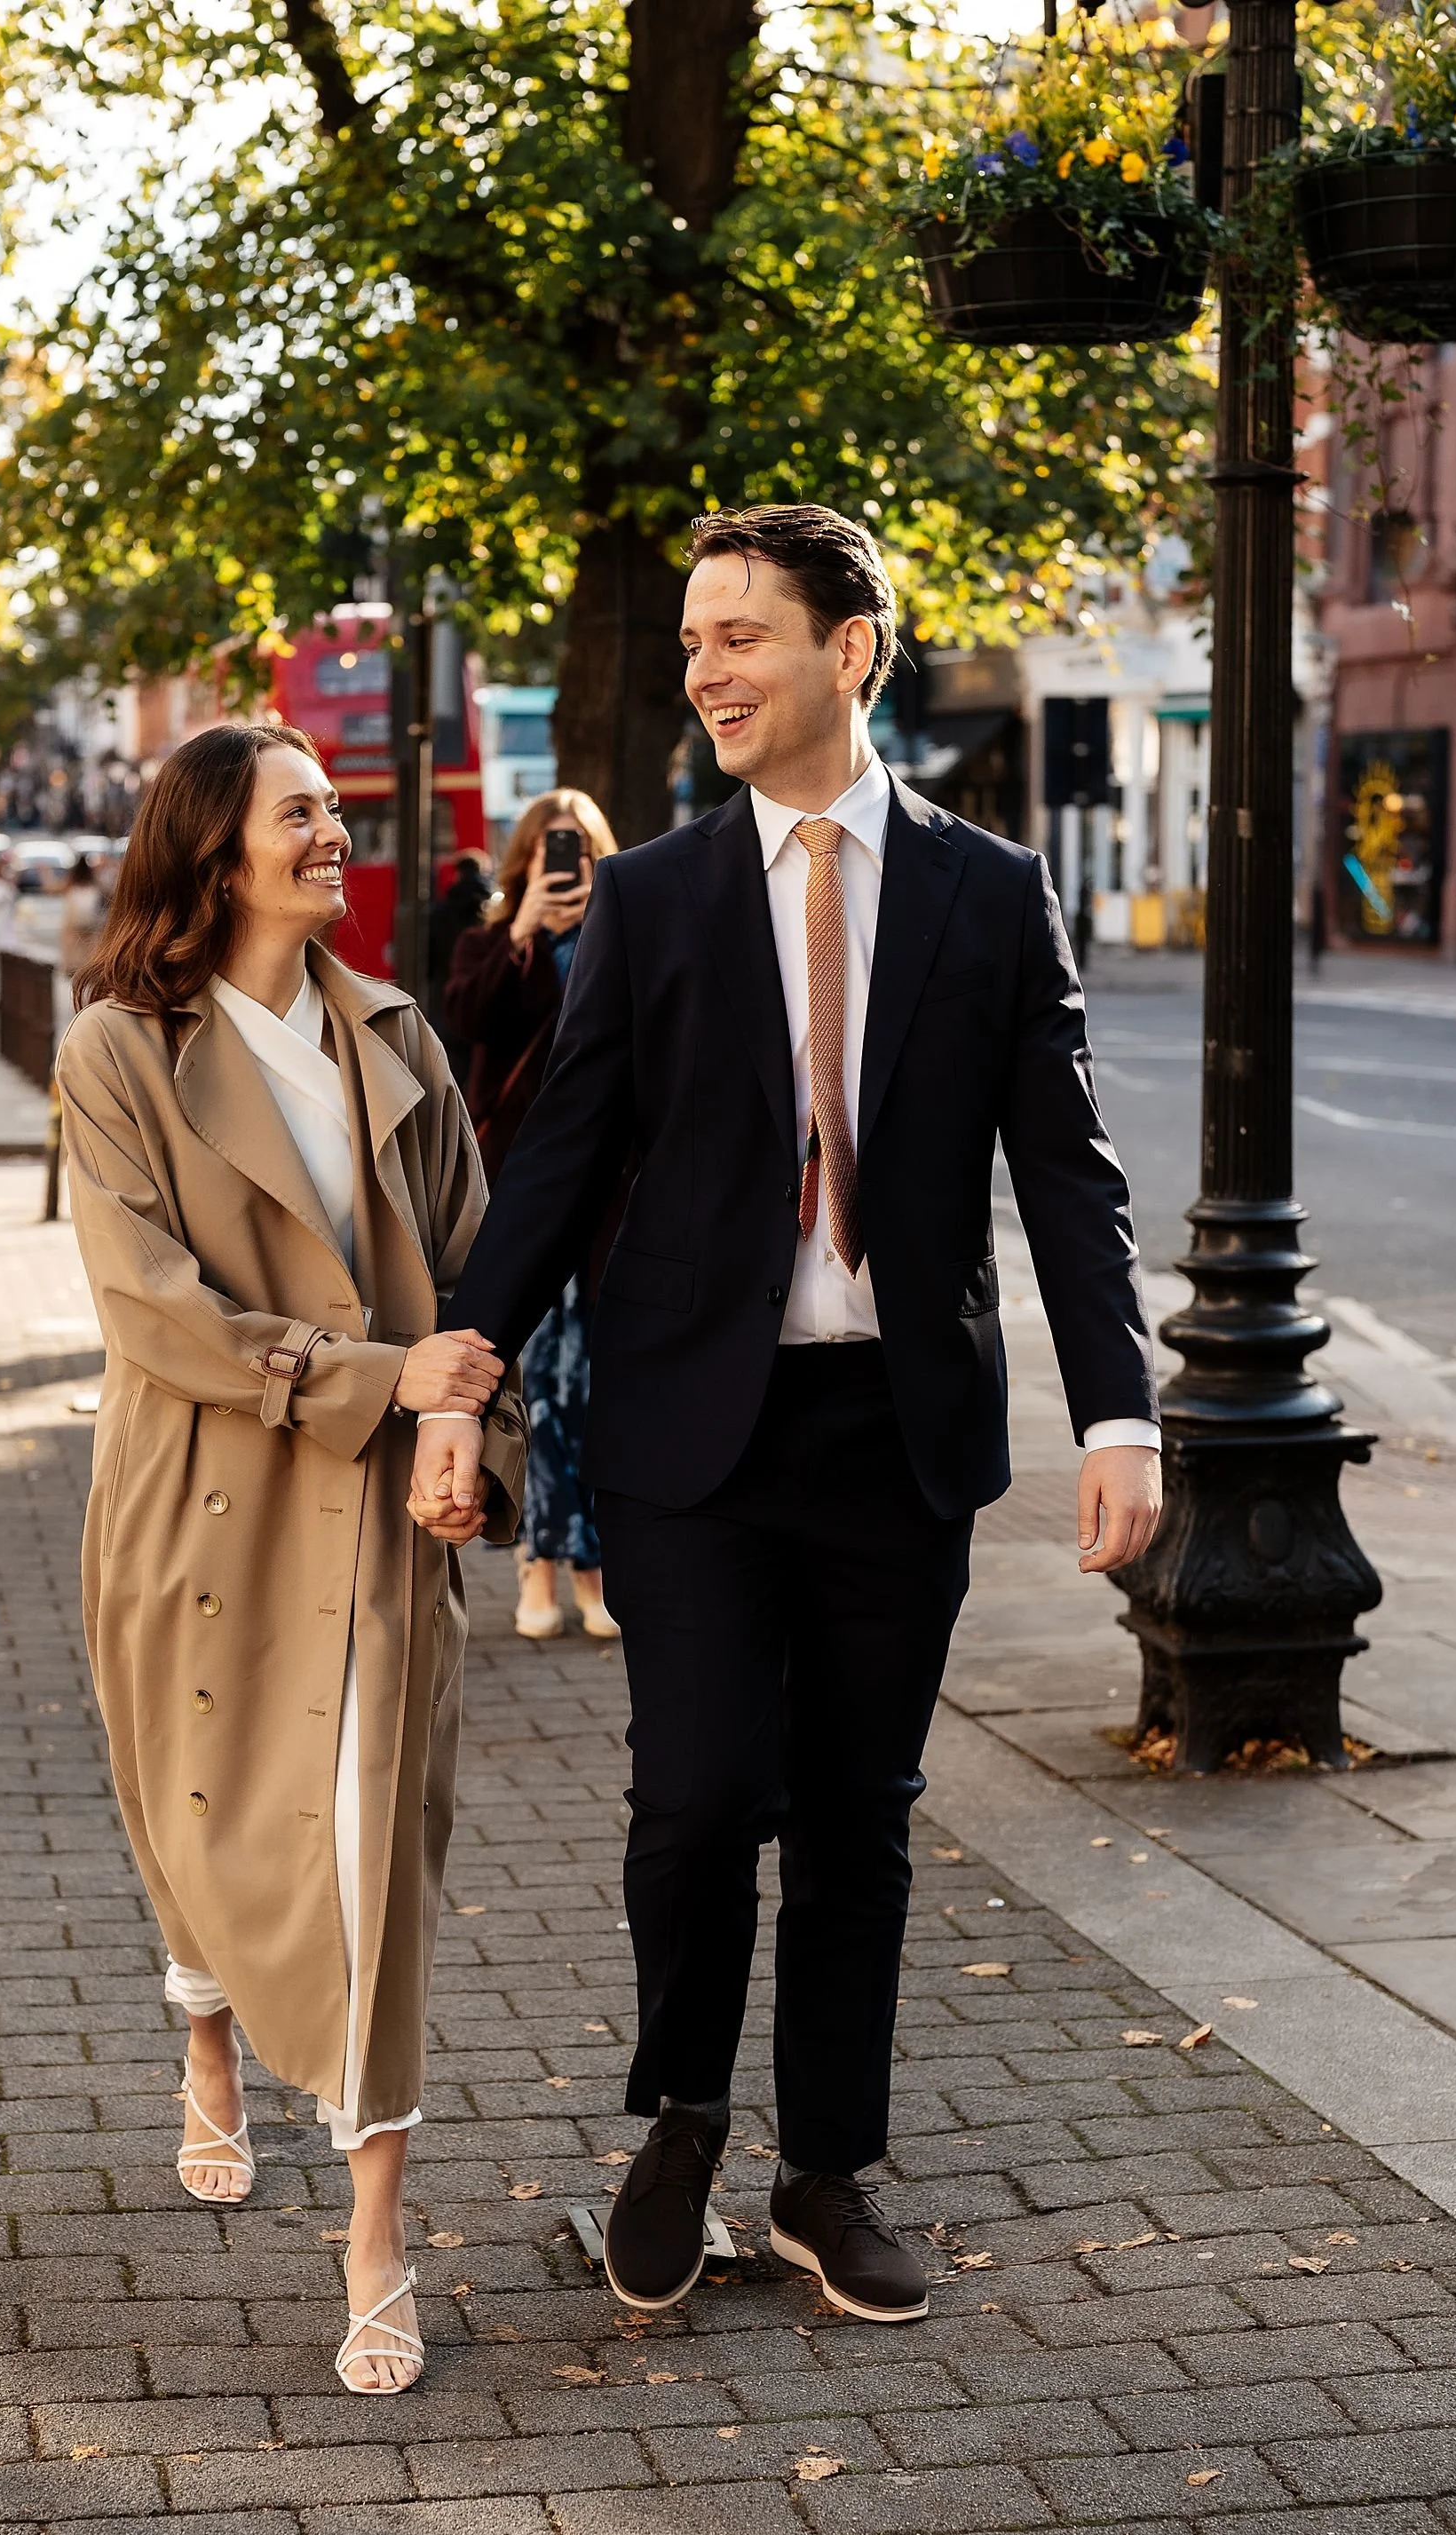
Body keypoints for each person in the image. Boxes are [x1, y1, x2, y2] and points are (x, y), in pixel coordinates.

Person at [416, 503, 1160, 2324]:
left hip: (895, 1431)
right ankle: (676, 2121)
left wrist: (1123, 1414)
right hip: (692, 1430)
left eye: (738, 635)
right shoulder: (661, 898)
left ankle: (828, 2175)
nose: (705, 672)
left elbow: (1069, 1176)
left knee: (858, 1814)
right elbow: (564, 1158)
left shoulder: (989, 894)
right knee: (694, 1800)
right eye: (687, 645)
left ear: (854, 647)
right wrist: (463, 1364)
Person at [59, 721, 525, 2393]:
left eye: (335, 809)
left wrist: (478, 1439)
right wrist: (377, 1381)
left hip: (386, 1502)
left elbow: (480, 1275)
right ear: (215, 853)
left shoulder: (393, 1030)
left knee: (373, 1848)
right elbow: (154, 1310)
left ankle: (375, 2235)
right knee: (196, 1799)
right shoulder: (117, 1053)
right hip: (197, 1495)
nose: (338, 834)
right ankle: (206, 2023)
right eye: (304, 814)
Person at [445, 790, 621, 1643]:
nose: (566, 868)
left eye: (580, 852)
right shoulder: (491, 942)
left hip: (615, 1204)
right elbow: (468, 1019)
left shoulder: (627, 933)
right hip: (521, 1196)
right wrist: (523, 935)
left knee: (587, 1389)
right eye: (553, 852)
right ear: (525, 862)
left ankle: (582, 1562)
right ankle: (545, 1565)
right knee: (538, 1391)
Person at [426, 847, 493, 1083]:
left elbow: (427, 963)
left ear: (457, 873)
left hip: (447, 1008)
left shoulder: (439, 913)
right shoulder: (493, 913)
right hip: (484, 1011)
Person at [59, 851, 107, 978]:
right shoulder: (94, 884)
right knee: (89, 953)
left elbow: (52, 888)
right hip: (92, 925)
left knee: (74, 954)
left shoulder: (71, 883)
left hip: (74, 925)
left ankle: (75, 973)